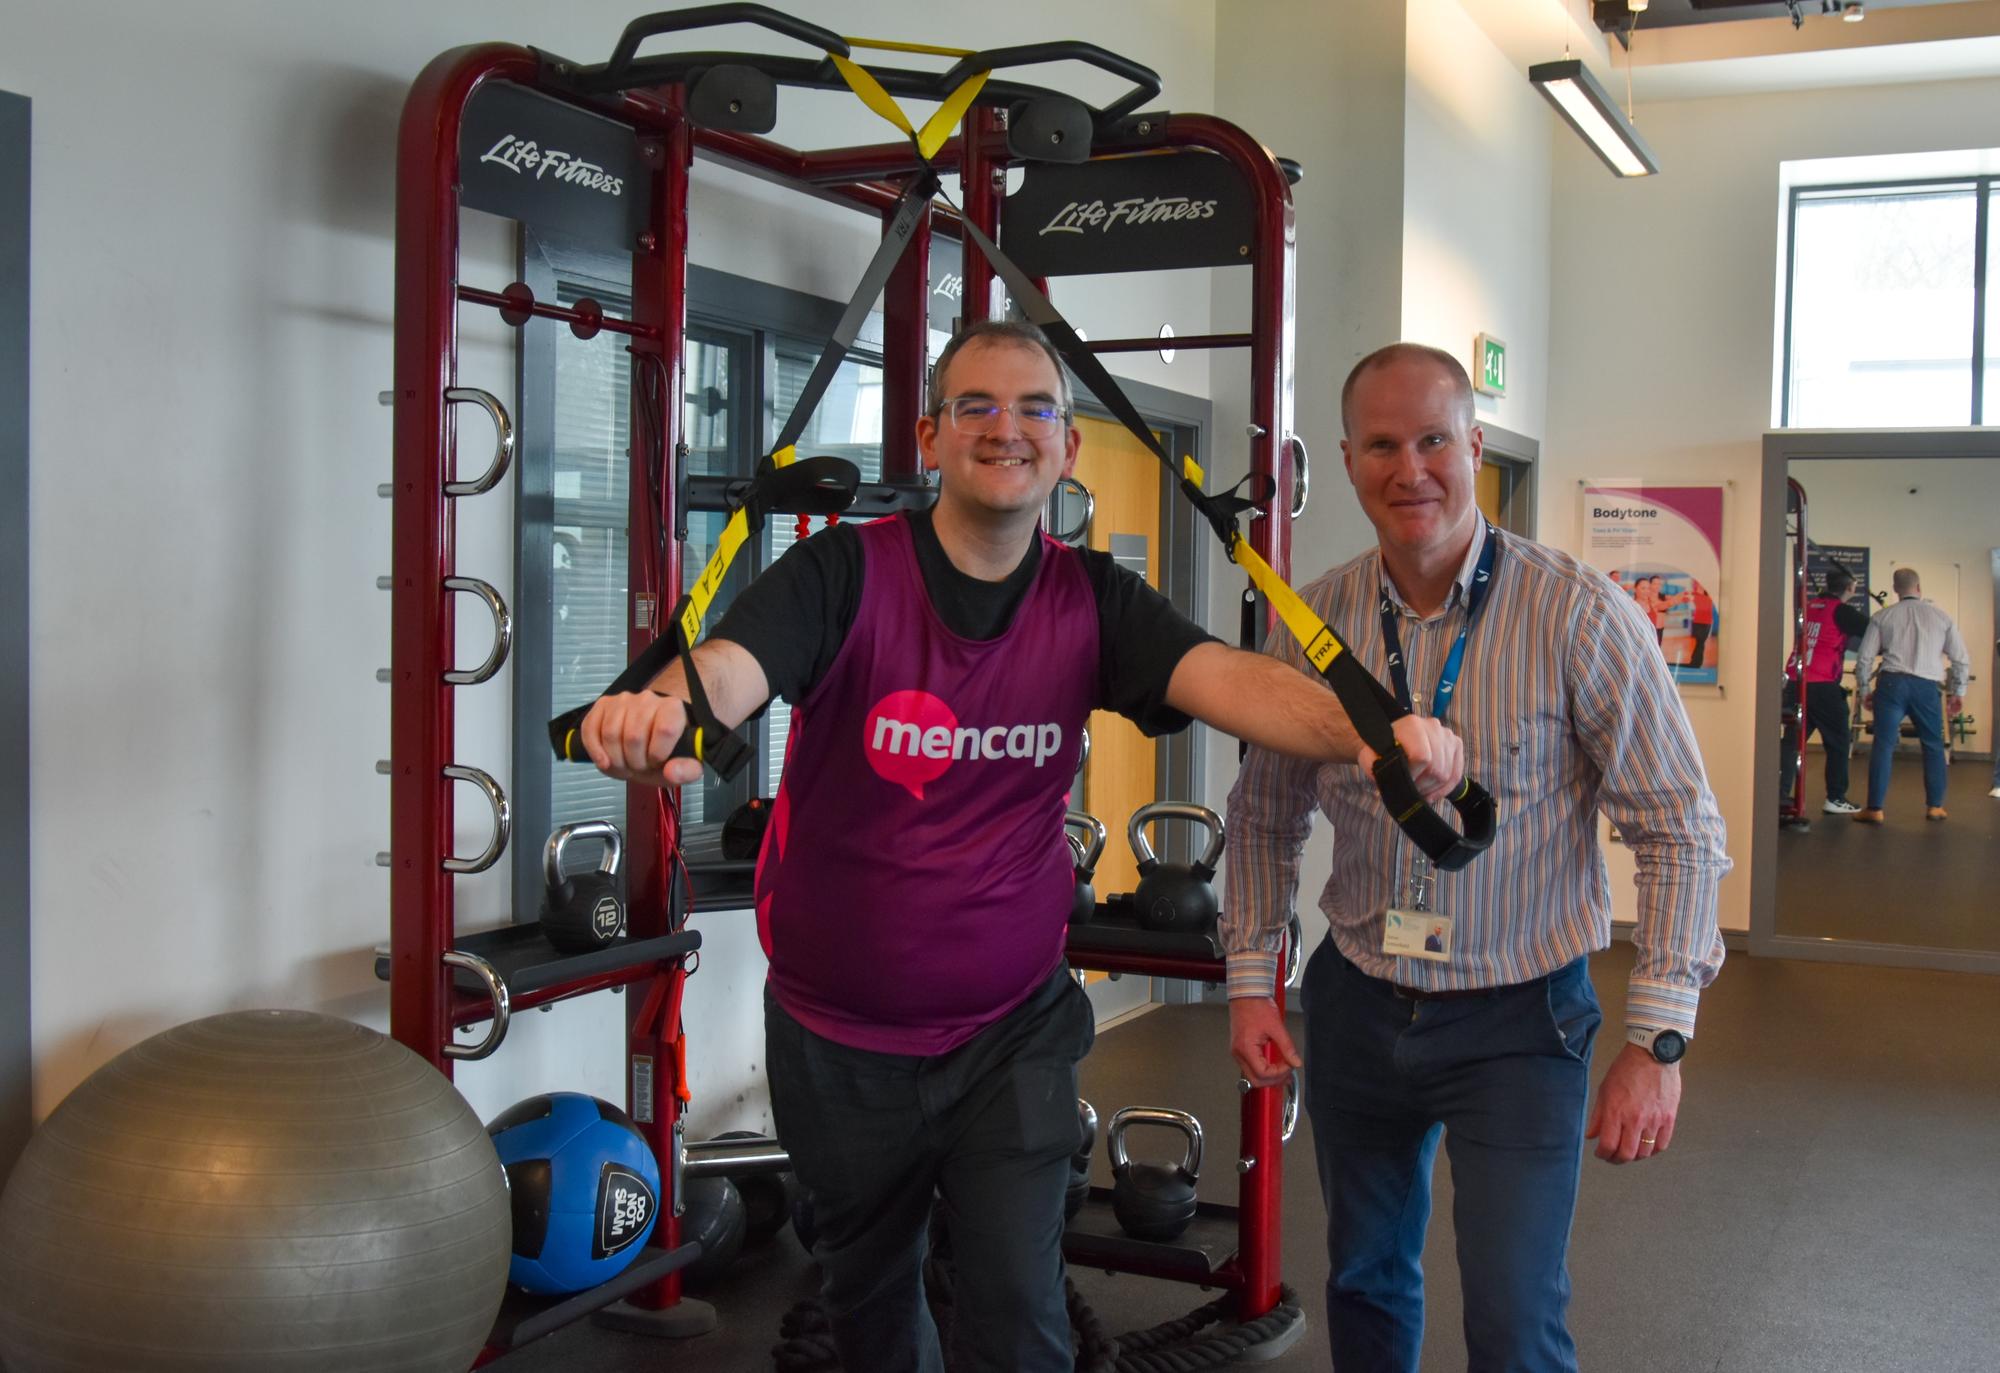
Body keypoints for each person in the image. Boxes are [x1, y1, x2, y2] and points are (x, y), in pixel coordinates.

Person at [577, 320, 1462, 1373]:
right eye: (977, 406)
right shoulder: (842, 574)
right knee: (870, 1310)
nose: (1008, 429)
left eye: (1036, 407)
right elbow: (731, 664)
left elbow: (1227, 677)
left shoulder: (1091, 597)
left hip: (1009, 1033)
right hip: (837, 1040)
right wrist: (666, 712)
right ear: (930, 435)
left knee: (1017, 1310)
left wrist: (1366, 731)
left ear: (1069, 444)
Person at [1222, 343, 1730, 1373]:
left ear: (1475, 446)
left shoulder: (1578, 614)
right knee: (1364, 1282)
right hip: (1358, 1002)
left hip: (1519, 1017)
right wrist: (1248, 981)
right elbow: (1263, 812)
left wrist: (1656, 1040)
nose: (1408, 469)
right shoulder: (1312, 624)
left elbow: (1678, 828)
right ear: (1345, 459)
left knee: (1511, 1315)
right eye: (1380, 445)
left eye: (1432, 440)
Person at [1852, 568, 1970, 824]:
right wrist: (1959, 692)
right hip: (1926, 687)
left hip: (1891, 685)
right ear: (1919, 588)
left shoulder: (1882, 616)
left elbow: (1864, 658)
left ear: (1895, 589)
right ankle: (1935, 807)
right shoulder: (1941, 617)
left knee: (1883, 745)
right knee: (1933, 745)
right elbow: (1961, 658)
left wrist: (1865, 689)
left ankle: (1875, 809)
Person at [1778, 565, 1869, 815]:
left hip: (1796, 682)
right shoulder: (1842, 611)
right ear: (1850, 587)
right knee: (1839, 741)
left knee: (1792, 742)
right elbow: (1873, 629)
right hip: (1822, 685)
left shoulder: (1809, 606)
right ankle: (1835, 797)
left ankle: (1779, 794)